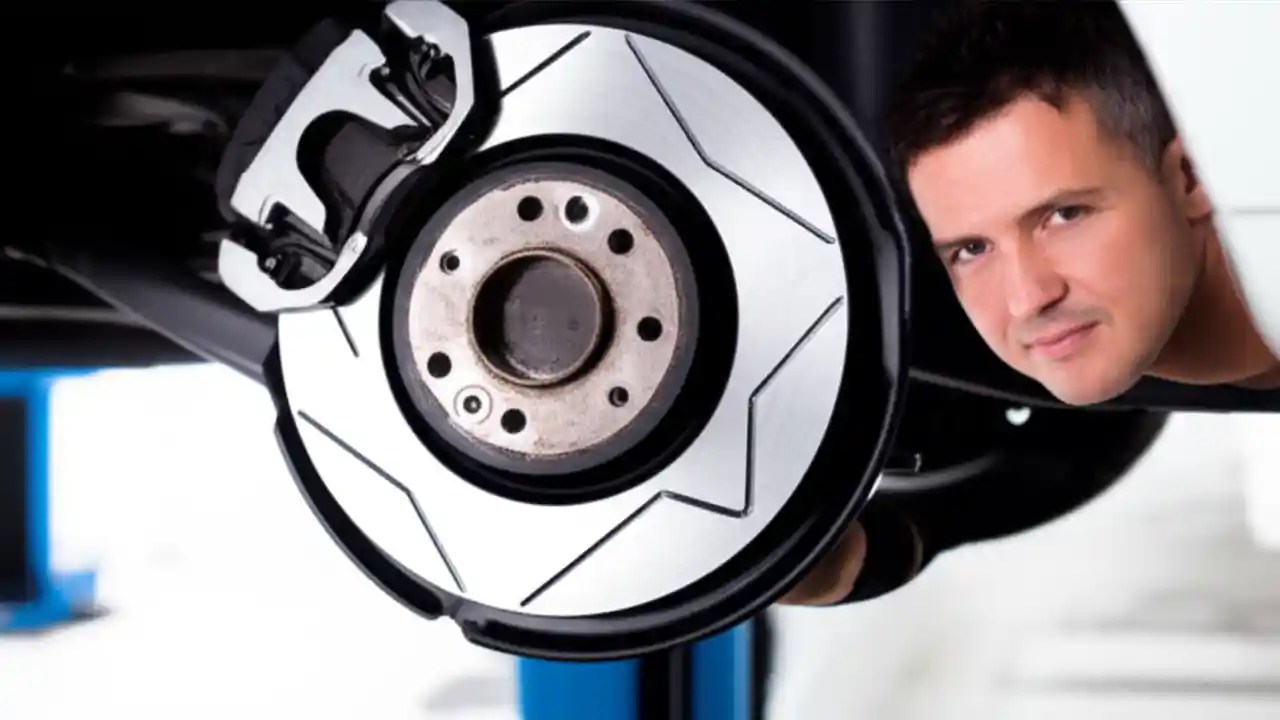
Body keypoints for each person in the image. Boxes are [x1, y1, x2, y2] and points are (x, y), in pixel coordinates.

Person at [778, 0, 1280, 607]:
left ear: (1191, 177)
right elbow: (1034, 472)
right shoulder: (1072, 350)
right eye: (971, 249)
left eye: (1064, 215)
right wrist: (841, 564)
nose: (1026, 297)